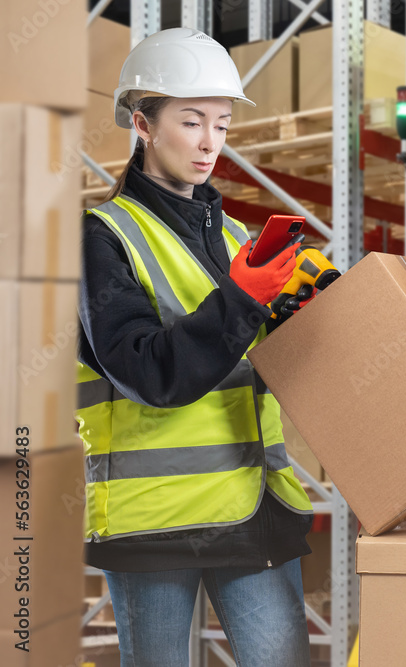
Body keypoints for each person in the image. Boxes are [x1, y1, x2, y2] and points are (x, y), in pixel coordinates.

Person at [76, 28, 314, 667]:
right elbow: (150, 374)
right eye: (191, 121)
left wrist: (305, 311)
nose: (210, 142)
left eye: (223, 124)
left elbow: (266, 367)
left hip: (255, 508)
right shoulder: (102, 240)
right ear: (142, 123)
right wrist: (241, 300)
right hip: (155, 520)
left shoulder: (238, 237)